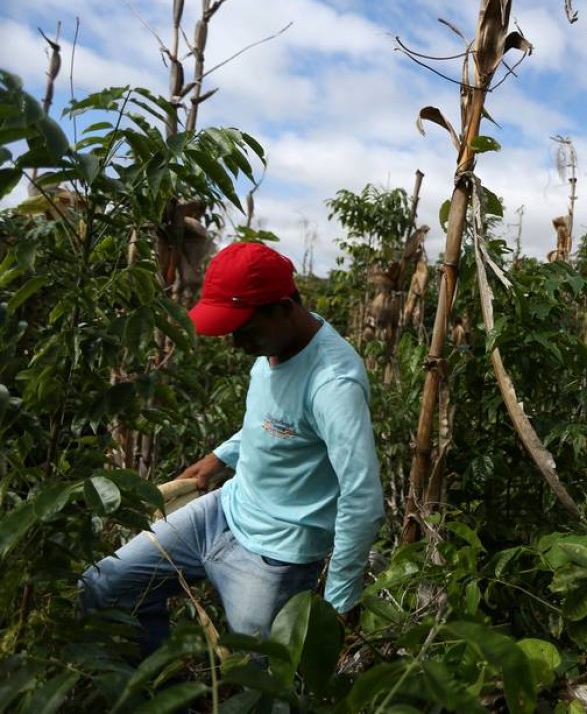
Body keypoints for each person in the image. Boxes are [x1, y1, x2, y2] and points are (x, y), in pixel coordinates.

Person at [80, 242, 385, 657]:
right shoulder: (274, 345)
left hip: (277, 556)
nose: (236, 344)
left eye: (245, 330)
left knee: (258, 681)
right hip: (224, 510)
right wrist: (219, 458)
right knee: (103, 587)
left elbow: (362, 496)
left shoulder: (333, 384)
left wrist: (340, 599)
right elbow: (274, 424)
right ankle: (163, 698)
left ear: (284, 307)